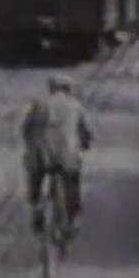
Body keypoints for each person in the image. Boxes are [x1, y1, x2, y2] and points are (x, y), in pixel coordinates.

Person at [19, 76, 94, 236]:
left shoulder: (39, 104)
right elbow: (87, 131)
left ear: (51, 88)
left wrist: (30, 144)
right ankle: (73, 218)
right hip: (67, 154)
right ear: (68, 89)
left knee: (34, 175)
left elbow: (25, 129)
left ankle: (37, 205)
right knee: (73, 181)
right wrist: (86, 144)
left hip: (42, 154)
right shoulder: (76, 106)